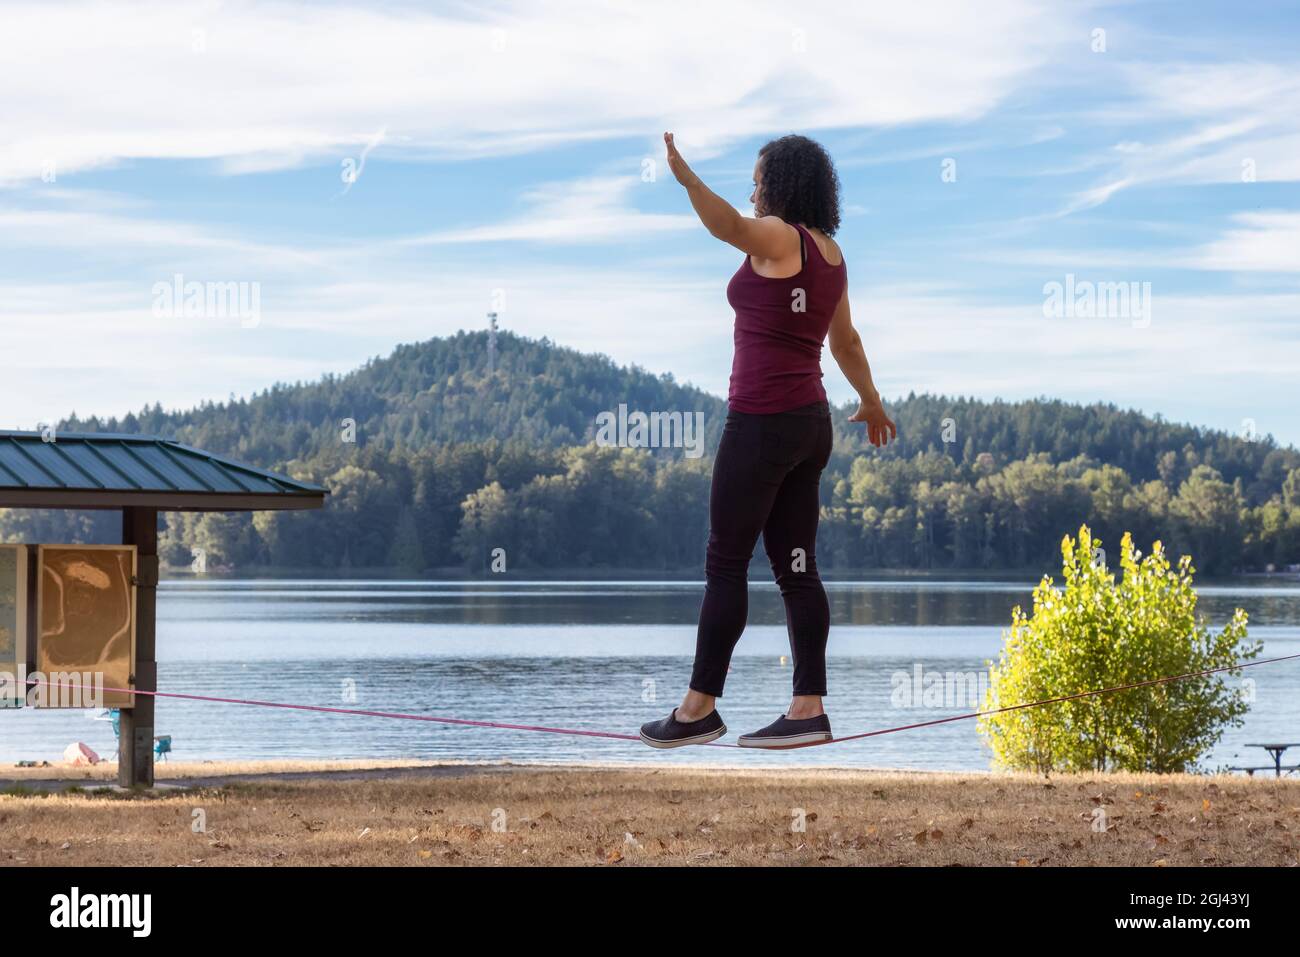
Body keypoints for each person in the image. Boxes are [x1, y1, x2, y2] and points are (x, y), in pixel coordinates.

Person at [640, 132, 896, 750]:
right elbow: (847, 341)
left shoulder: (780, 236)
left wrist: (686, 180)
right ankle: (808, 709)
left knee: (726, 562)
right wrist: (871, 399)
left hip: (762, 422)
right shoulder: (830, 255)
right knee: (797, 570)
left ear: (781, 184)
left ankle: (699, 708)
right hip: (810, 426)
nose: (752, 189)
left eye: (758, 179)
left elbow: (727, 224)